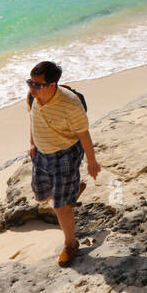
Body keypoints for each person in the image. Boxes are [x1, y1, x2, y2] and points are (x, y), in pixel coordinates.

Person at [26, 60, 100, 267]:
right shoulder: (34, 95)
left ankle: (70, 244)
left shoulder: (70, 104)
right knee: (41, 197)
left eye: (37, 84)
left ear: (52, 85)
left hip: (65, 154)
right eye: (29, 82)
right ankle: (72, 191)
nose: (32, 88)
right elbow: (32, 118)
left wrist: (92, 162)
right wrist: (32, 143)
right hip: (41, 154)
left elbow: (84, 135)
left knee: (60, 207)